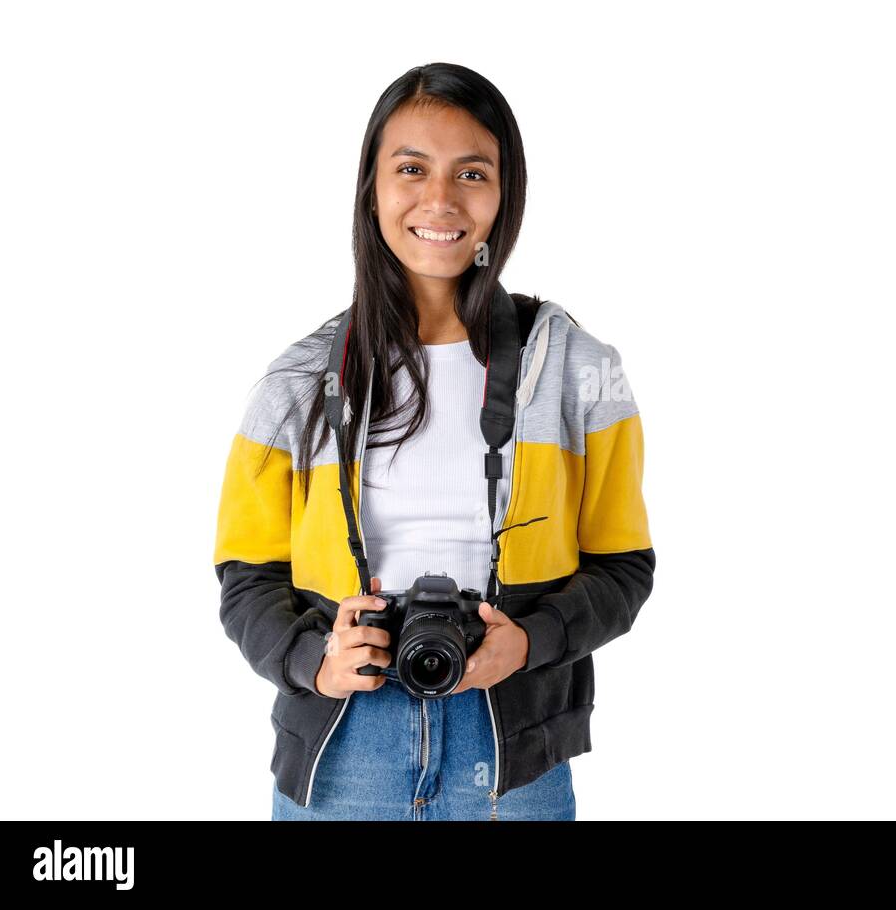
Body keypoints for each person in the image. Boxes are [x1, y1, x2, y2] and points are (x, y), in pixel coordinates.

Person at [212, 62, 656, 820]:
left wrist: (531, 640)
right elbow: (246, 575)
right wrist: (314, 660)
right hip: (344, 743)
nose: (441, 200)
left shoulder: (582, 372)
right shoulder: (299, 381)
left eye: (472, 173)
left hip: (513, 748)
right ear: (372, 189)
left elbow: (624, 567)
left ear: (506, 194)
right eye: (411, 168)